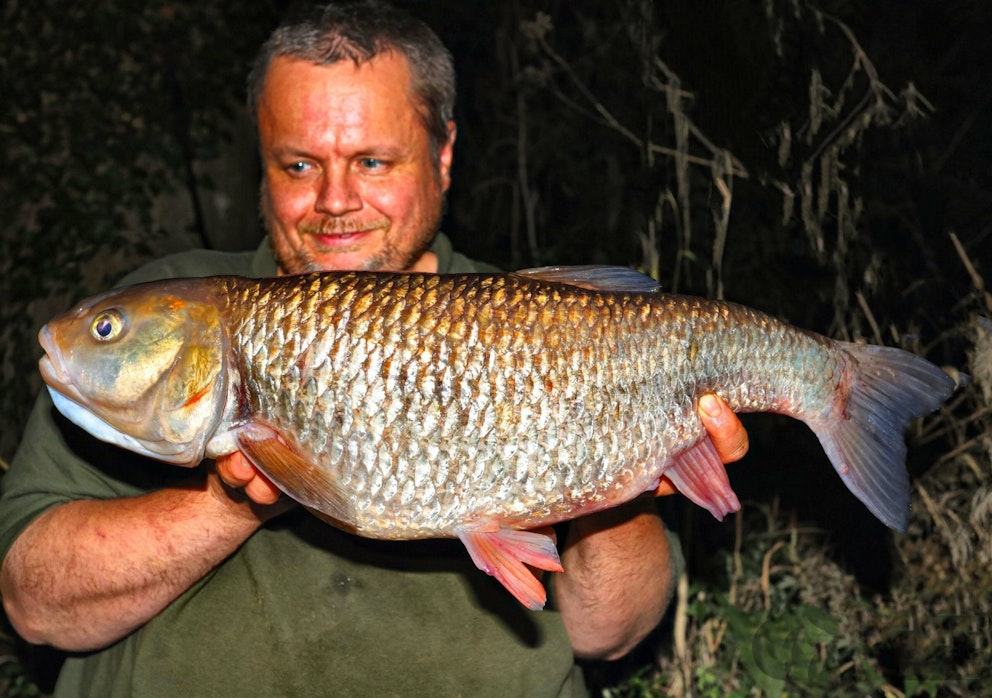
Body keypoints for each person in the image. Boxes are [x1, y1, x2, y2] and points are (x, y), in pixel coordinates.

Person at [0, 2, 749, 695]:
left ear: (444, 154)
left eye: (372, 162)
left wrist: (608, 492)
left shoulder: (549, 330)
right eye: (298, 164)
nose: (333, 201)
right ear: (260, 161)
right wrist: (240, 497)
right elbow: (34, 607)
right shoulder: (173, 302)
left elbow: (611, 636)